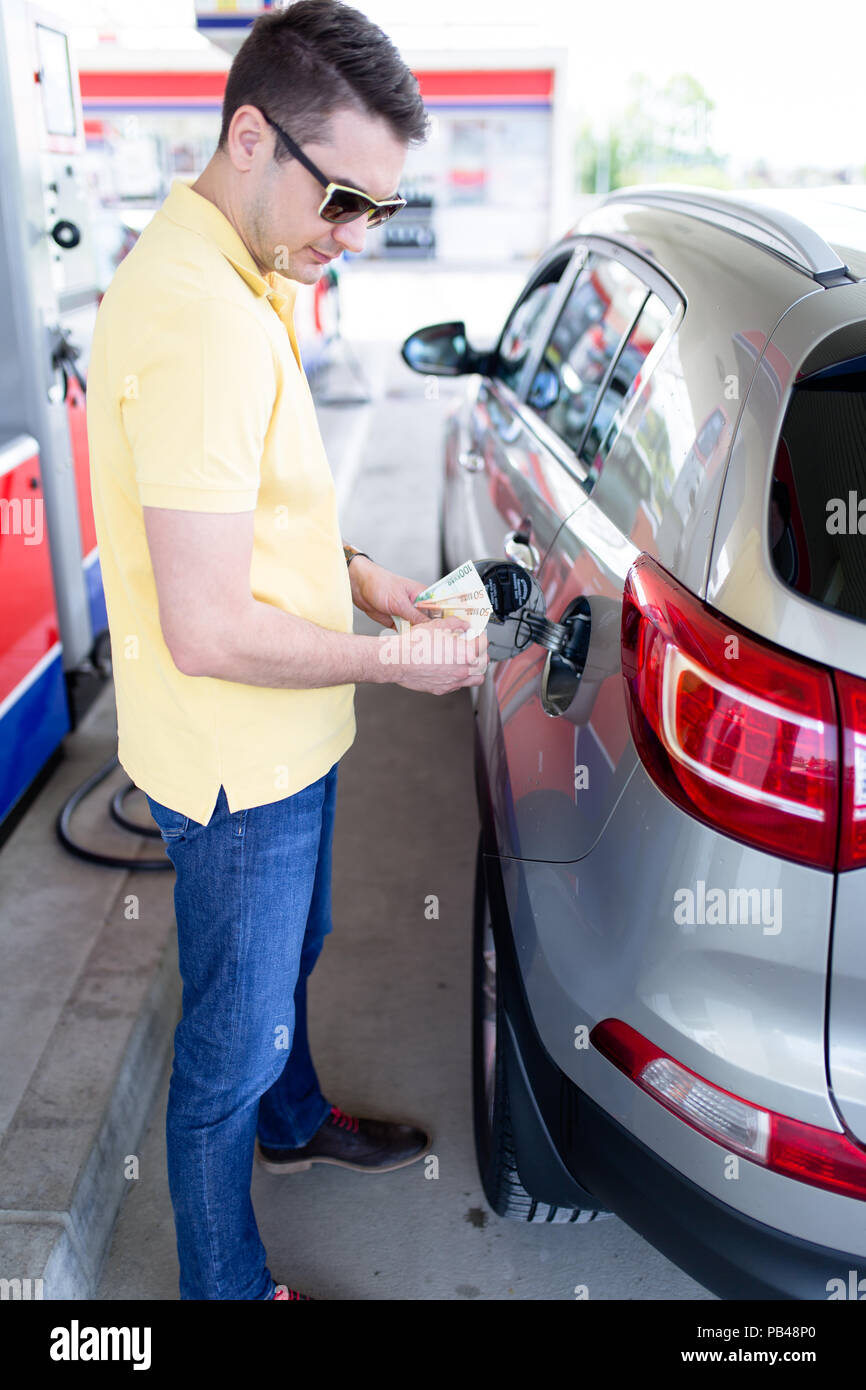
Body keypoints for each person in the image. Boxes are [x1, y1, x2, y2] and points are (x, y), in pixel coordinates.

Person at [86, 0, 487, 1301]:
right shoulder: (196, 311)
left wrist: (363, 582)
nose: (356, 236)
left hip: (286, 738)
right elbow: (205, 624)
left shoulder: (245, 268)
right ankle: (224, 1281)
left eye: (379, 208)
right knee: (226, 1048)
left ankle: (294, 1118)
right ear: (250, 135)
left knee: (289, 963)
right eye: (345, 201)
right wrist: (398, 665)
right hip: (238, 764)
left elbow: (250, 521)